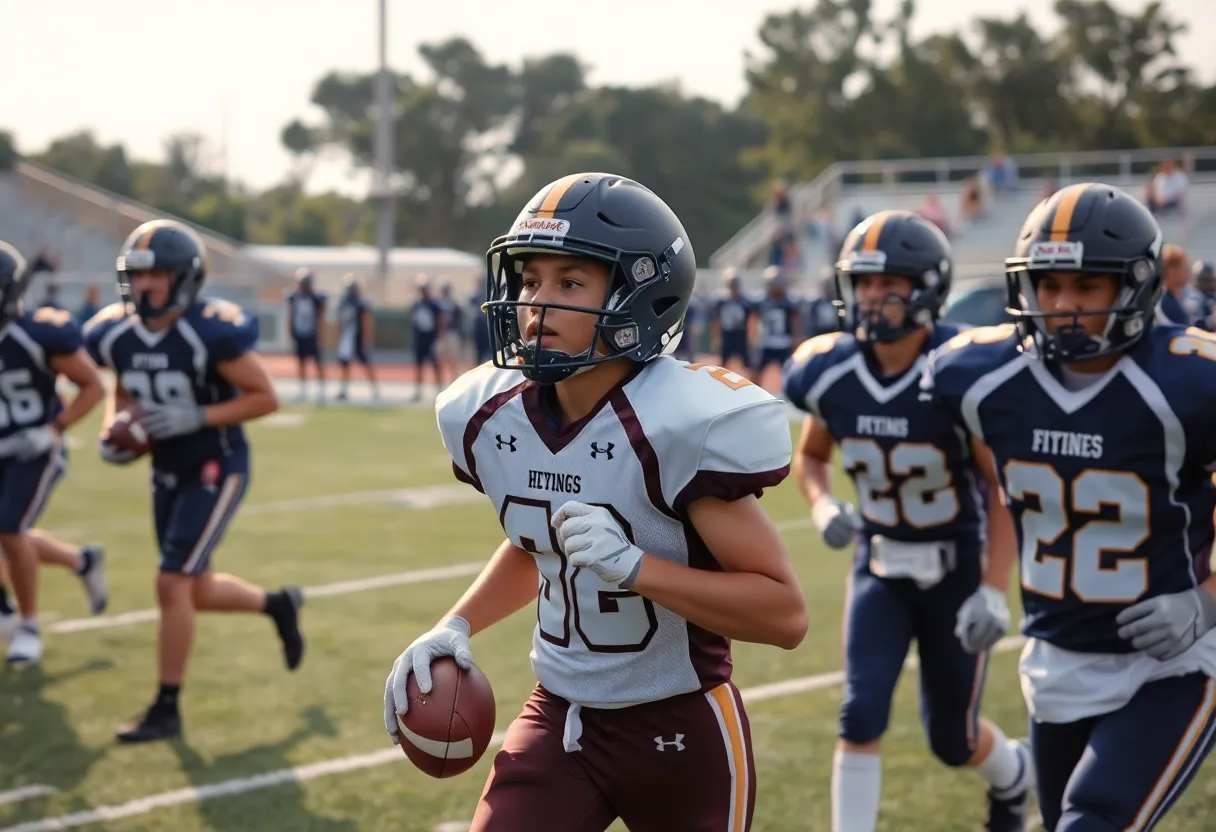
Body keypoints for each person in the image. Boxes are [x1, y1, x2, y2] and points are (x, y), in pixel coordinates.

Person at [383, 172, 808, 832]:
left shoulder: (678, 425)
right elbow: (539, 544)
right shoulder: (494, 412)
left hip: (681, 727)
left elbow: (785, 615)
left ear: (641, 296)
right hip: (559, 717)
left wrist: (639, 568)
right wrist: (455, 625)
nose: (537, 304)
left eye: (570, 282)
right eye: (530, 281)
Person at [923, 182, 1216, 830]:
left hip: (1172, 660)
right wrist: (988, 586)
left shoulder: (1191, 379)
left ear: (1136, 286)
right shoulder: (979, 376)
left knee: (1093, 818)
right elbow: (988, 482)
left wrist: (1207, 600)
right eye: (1049, 285)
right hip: (1056, 657)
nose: (1062, 305)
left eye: (1087, 286)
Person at [784, 211, 1032, 832]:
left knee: (952, 738)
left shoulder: (958, 368)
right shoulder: (832, 371)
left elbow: (1003, 487)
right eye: (863, 282)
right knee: (859, 712)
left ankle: (1015, 774)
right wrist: (821, 503)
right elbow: (811, 456)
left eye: (888, 283)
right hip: (879, 565)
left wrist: (993, 588)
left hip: (957, 569)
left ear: (926, 288)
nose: (872, 296)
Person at [84, 219, 305, 743]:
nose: (143, 285)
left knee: (171, 582)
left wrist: (198, 417)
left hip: (216, 465)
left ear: (183, 277)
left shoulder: (209, 330)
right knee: (194, 587)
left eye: (156, 274)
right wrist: (114, 428)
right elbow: (125, 389)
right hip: (166, 468)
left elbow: (265, 397)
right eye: (137, 275)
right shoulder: (113, 332)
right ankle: (277, 605)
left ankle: (167, 707)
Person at [0, 241, 107, 663]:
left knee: (9, 528)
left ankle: (27, 625)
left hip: (36, 447)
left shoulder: (36, 332)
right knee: (9, 532)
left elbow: (93, 385)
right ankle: (81, 561)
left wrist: (54, 428)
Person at [753, 265, 800, 390]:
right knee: (756, 372)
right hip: (766, 342)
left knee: (789, 372)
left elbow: (795, 323)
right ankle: (753, 393)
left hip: (783, 342)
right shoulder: (762, 301)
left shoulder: (789, 302)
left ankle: (788, 393)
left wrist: (795, 340)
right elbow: (753, 321)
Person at [285, 268, 327, 404]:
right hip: (300, 334)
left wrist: (321, 336)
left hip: (312, 334)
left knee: (317, 363)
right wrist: (290, 334)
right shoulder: (294, 298)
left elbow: (320, 318)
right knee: (301, 363)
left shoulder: (316, 299)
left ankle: (321, 391)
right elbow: (291, 316)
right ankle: (303, 390)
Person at [335, 274, 378, 403]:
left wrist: (366, 338)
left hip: (357, 338)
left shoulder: (360, 303)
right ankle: (344, 390)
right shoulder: (343, 303)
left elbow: (365, 322)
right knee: (345, 365)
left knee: (366, 363)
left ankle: (374, 389)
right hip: (347, 338)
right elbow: (340, 321)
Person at [713, 268, 753, 376]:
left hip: (741, 335)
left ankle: (753, 384)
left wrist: (751, 338)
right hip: (727, 335)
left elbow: (751, 321)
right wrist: (716, 337)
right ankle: (719, 384)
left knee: (748, 365)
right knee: (722, 365)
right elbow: (717, 321)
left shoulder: (745, 302)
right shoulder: (722, 301)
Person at [408, 277, 442, 402]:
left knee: (435, 365)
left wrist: (438, 337)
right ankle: (418, 391)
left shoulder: (434, 305)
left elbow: (439, 322)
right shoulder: (416, 304)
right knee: (419, 365)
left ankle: (439, 390)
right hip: (420, 338)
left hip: (431, 338)